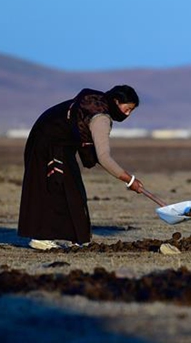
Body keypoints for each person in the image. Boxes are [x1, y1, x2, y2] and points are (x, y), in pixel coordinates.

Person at [18, 85, 147, 250]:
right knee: (55, 187)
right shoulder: (101, 118)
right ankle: (41, 238)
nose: (127, 114)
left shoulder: (97, 104)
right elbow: (104, 157)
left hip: (58, 144)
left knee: (73, 190)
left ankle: (77, 239)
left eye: (131, 111)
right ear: (116, 101)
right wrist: (130, 180)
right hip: (46, 144)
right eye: (127, 109)